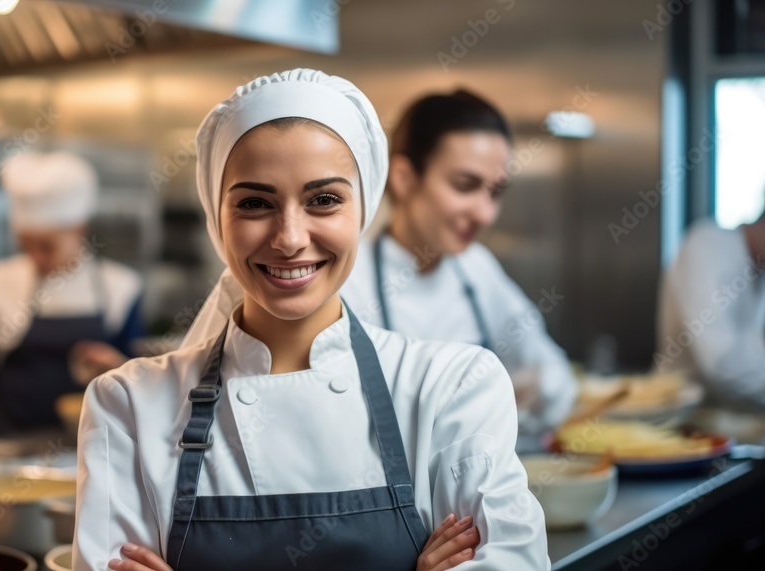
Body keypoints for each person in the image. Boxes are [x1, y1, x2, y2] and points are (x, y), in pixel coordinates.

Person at [74, 69, 549, 571]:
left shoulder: (454, 388)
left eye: (324, 200)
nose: (290, 238)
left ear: (362, 211)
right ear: (217, 220)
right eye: (255, 203)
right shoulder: (126, 405)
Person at [340, 90, 577, 439]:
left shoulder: (476, 268)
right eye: (465, 185)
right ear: (404, 177)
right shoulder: (348, 280)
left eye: (495, 192)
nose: (486, 214)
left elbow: (555, 380)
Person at [0, 151, 145, 437]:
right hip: (8, 441)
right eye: (26, 246)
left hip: (94, 447)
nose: (36, 258)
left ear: (79, 230)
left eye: (47, 247)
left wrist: (116, 365)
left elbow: (142, 374)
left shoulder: (119, 287)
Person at [657, 205, 765, 408]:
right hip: (683, 413)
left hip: (733, 415)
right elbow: (722, 366)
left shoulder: (758, 270)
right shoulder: (707, 247)